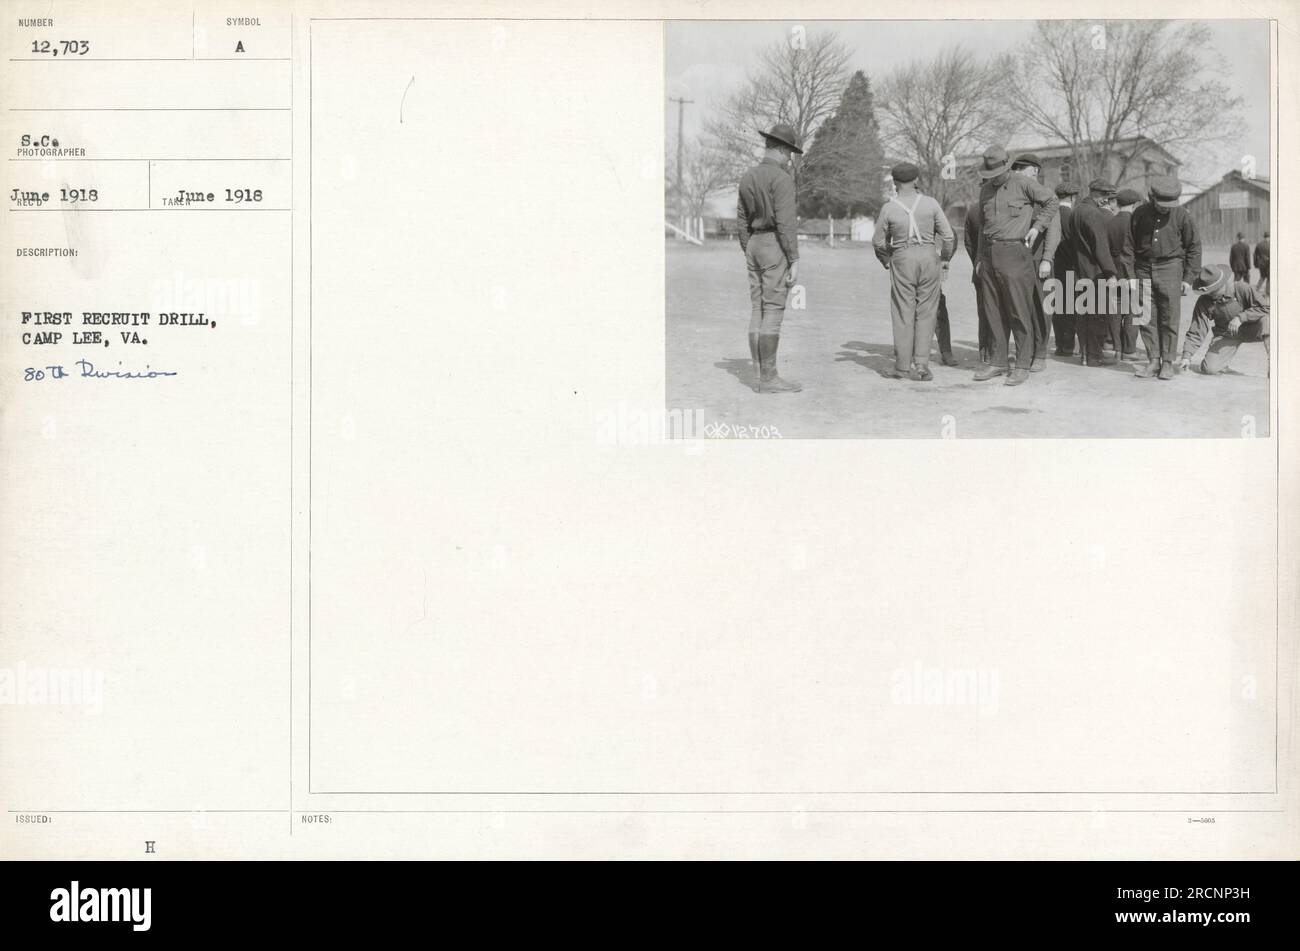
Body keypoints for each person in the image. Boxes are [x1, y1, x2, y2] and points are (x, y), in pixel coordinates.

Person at [970, 145, 1058, 385]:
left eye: (996, 173)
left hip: (1016, 253)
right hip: (989, 254)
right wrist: (979, 258)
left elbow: (1052, 202)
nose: (993, 178)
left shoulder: (1024, 183)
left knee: (1019, 311)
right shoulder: (985, 190)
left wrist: (1036, 227)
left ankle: (1022, 364)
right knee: (993, 312)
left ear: (1007, 167)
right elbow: (982, 228)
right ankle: (998, 362)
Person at [872, 162, 955, 380]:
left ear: (895, 183)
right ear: (916, 181)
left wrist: (887, 259)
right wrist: (944, 258)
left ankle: (901, 367)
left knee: (903, 311)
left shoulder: (889, 207)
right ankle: (921, 365)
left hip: (902, 258)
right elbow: (948, 237)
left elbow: (878, 241)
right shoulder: (931, 203)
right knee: (927, 312)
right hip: (929, 258)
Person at [737, 123, 803, 392]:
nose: (790, 159)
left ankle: (758, 371)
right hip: (774, 243)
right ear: (781, 149)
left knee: (758, 309)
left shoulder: (748, 176)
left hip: (753, 243)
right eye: (790, 153)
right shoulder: (782, 179)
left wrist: (748, 246)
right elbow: (786, 223)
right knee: (773, 310)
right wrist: (794, 257)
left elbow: (741, 219)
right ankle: (769, 378)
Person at [1130, 175, 1201, 380]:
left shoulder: (1183, 216)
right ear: (1152, 197)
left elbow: (1194, 248)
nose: (1165, 209)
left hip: (1171, 268)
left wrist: (1188, 278)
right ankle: (1153, 360)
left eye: (1169, 204)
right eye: (1162, 204)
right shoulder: (1139, 213)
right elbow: (1129, 245)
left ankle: (1167, 363)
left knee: (1169, 317)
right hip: (1143, 268)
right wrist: (1130, 274)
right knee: (1145, 316)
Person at [1178, 264, 1269, 376]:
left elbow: (1266, 308)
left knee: (1267, 321)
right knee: (1210, 369)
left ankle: (1274, 362)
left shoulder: (1242, 288)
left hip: (1252, 328)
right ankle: (1221, 362)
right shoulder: (1204, 301)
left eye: (1211, 291)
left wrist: (1241, 317)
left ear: (1220, 285)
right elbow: (1197, 329)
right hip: (1227, 335)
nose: (1208, 294)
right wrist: (1187, 356)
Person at [1011, 153, 1058, 371]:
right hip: (1019, 259)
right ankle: (1026, 350)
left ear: (1034, 171)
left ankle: (1040, 353)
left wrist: (1047, 259)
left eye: (1022, 171)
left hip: (1040, 259)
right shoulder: (1018, 193)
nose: (1018, 176)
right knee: (1023, 306)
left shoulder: (1046, 196)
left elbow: (1053, 231)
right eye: (1016, 171)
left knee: (1042, 307)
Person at [1065, 178, 1118, 365]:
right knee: (1097, 315)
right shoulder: (1093, 214)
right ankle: (1095, 356)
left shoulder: (1076, 211)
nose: (1106, 200)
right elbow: (1100, 247)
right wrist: (1110, 272)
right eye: (1105, 196)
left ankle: (1086, 355)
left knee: (1083, 314)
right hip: (1095, 272)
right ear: (1096, 194)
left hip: (1080, 269)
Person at [1106, 188, 1143, 361]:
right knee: (1132, 312)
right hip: (1132, 273)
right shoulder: (1136, 223)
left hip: (1113, 273)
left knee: (1114, 311)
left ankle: (1116, 348)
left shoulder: (1110, 222)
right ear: (1135, 205)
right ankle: (1129, 350)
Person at [1051, 181, 1081, 355]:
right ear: (1072, 197)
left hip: (1053, 266)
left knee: (1056, 306)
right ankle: (1068, 345)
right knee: (1069, 307)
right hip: (1070, 266)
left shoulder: (1051, 215)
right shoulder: (1073, 216)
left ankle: (1060, 344)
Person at [964, 204, 991, 364]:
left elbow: (968, 242)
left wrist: (977, 261)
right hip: (1002, 268)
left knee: (983, 311)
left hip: (980, 269)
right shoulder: (1003, 205)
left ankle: (984, 351)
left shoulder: (973, 210)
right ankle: (996, 352)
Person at [1254, 231, 1270, 295]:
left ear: (1264, 237)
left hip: (1261, 264)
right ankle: (1267, 292)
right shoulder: (1271, 245)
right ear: (1269, 237)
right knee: (1269, 278)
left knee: (1262, 277)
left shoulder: (1259, 244)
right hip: (1269, 264)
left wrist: (1255, 264)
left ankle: (1256, 289)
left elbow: (1255, 255)